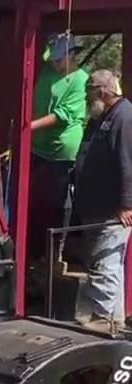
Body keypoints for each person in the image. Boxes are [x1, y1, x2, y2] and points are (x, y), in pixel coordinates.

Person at [73, 70, 132, 332]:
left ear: (104, 92)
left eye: (91, 92)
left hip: (113, 210)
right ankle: (112, 319)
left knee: (105, 263)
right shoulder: (102, 118)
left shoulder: (124, 117)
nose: (87, 98)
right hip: (96, 207)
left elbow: (127, 162)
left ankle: (104, 317)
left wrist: (127, 204)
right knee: (104, 263)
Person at [27, 34, 89, 260]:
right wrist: (55, 39)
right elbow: (41, 50)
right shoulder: (49, 69)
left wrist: (29, 126)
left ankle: (58, 248)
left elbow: (63, 115)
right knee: (19, 184)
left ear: (72, 56)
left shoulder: (81, 80)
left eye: (59, 59)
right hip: (36, 143)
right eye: (53, 59)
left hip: (63, 148)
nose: (54, 63)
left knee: (61, 198)